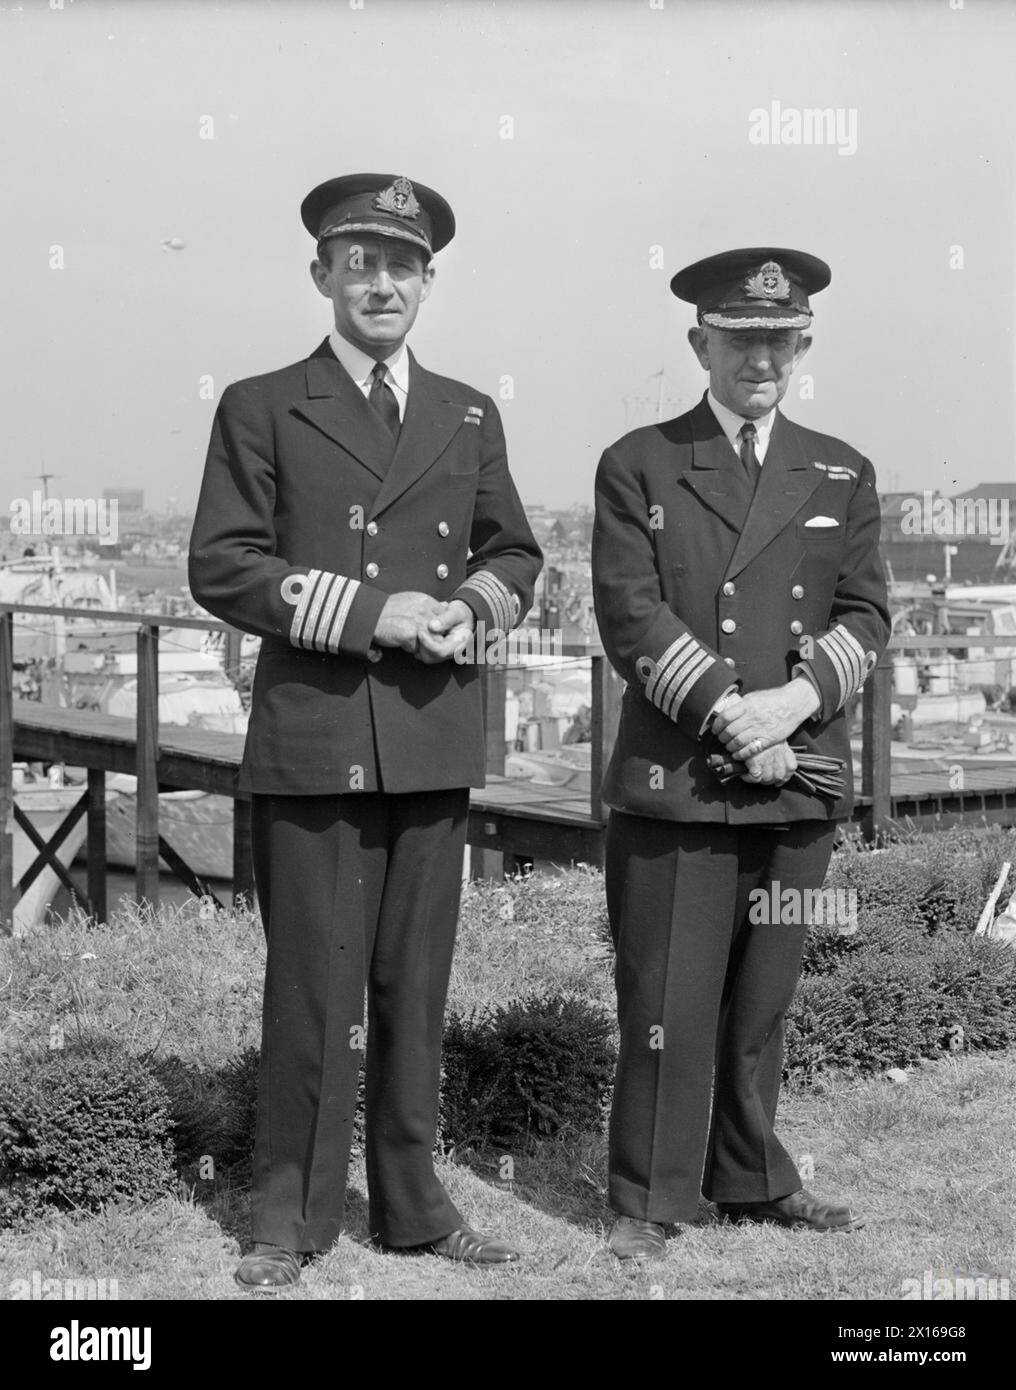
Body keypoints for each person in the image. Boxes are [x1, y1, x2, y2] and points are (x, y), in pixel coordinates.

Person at [189, 172, 542, 1288]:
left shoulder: (467, 412)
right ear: (321, 277)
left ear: (428, 283)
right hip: (316, 734)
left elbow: (516, 554)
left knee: (413, 983)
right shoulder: (261, 403)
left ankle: (414, 1206)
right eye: (359, 262)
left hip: (431, 736)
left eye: (401, 266)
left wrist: (468, 610)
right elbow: (221, 563)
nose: (380, 283)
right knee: (310, 988)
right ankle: (286, 1216)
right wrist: (371, 613)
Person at [591, 247, 890, 1260]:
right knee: (665, 998)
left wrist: (793, 703)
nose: (757, 358)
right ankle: (648, 1195)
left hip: (797, 779)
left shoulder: (841, 470)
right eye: (738, 339)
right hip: (679, 772)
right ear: (698, 345)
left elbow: (865, 613)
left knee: (764, 995)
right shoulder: (638, 462)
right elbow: (630, 614)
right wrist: (733, 715)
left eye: (777, 340)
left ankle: (753, 1175)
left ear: (801, 345)